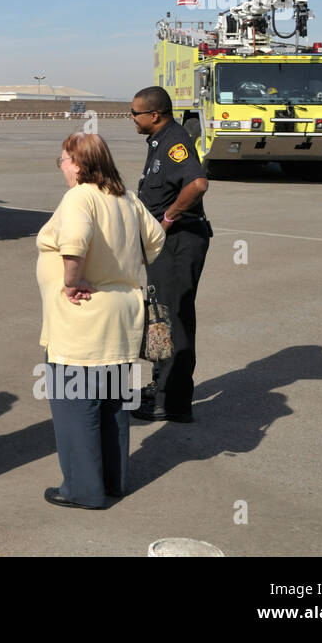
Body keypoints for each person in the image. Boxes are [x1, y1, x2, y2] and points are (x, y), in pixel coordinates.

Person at [36, 132, 165, 509]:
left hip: (83, 322)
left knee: (77, 407)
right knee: (111, 404)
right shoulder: (126, 197)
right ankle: (113, 481)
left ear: (77, 163)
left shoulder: (80, 196)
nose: (60, 166)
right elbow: (155, 240)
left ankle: (81, 489)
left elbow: (74, 239)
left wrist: (72, 279)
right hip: (121, 318)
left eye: (62, 159)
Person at [129, 86, 211, 423]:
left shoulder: (175, 144)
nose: (132, 118)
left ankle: (172, 402)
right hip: (167, 245)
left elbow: (198, 184)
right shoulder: (159, 142)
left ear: (155, 115)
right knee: (161, 316)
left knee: (173, 318)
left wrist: (167, 218)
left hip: (179, 242)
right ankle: (162, 386)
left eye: (135, 113)